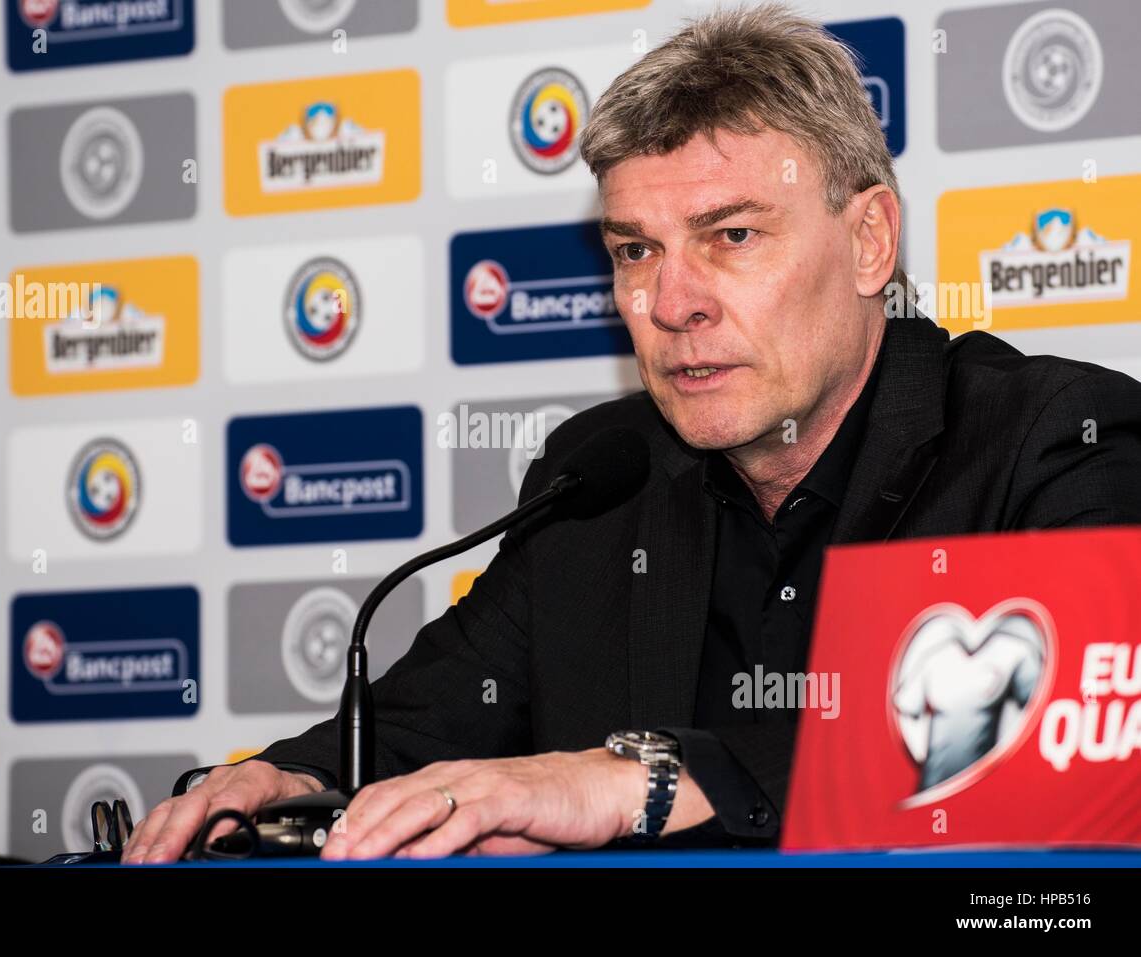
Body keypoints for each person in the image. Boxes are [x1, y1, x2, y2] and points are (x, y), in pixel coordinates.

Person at [121, 3, 1141, 864]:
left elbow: (1056, 747)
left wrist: (640, 782)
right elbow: (423, 724)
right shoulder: (600, 477)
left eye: (730, 236)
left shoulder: (1051, 442)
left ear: (870, 239)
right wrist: (283, 779)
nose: (671, 301)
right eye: (634, 250)